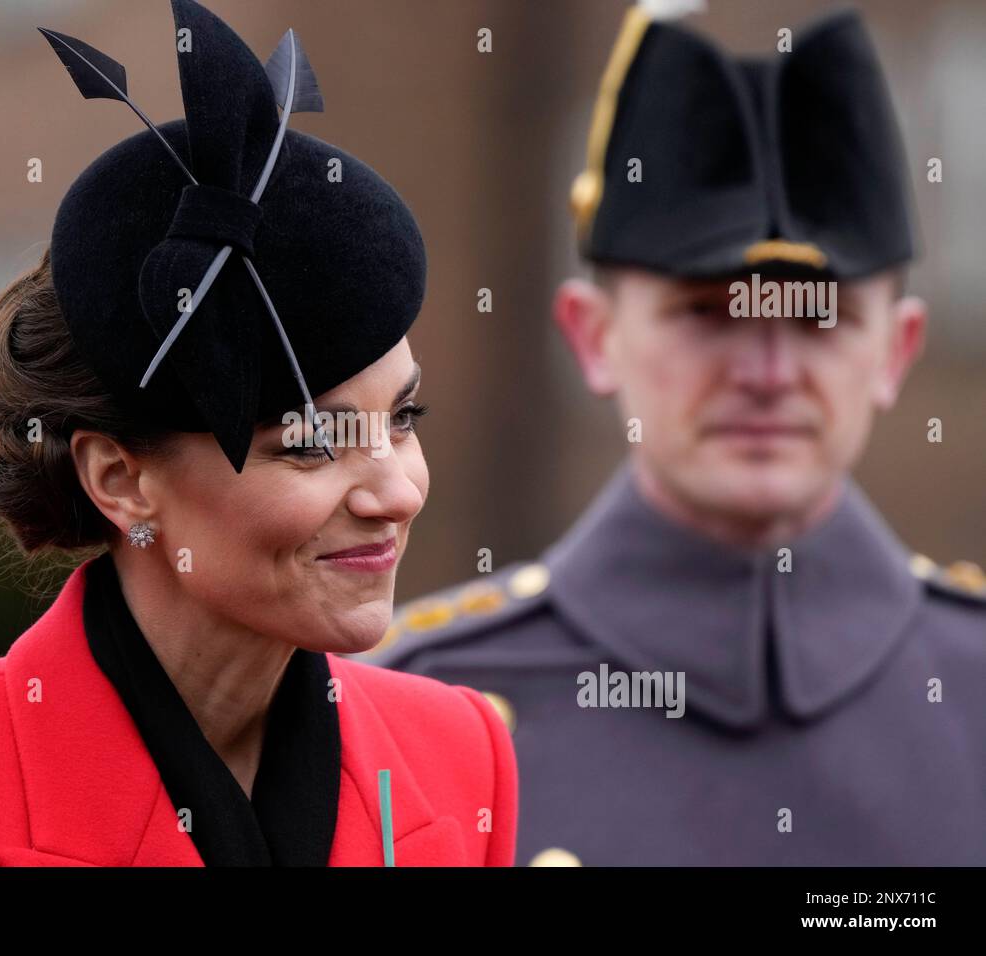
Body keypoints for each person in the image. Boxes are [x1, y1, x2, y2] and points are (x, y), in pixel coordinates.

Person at [0, 0, 516, 867]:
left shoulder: (460, 754)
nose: (399, 490)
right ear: (119, 480)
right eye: (310, 440)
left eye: (402, 419)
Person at [360, 5, 986, 866]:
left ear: (898, 350)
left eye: (820, 319)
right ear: (591, 336)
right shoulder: (407, 703)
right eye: (706, 313)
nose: (767, 373)